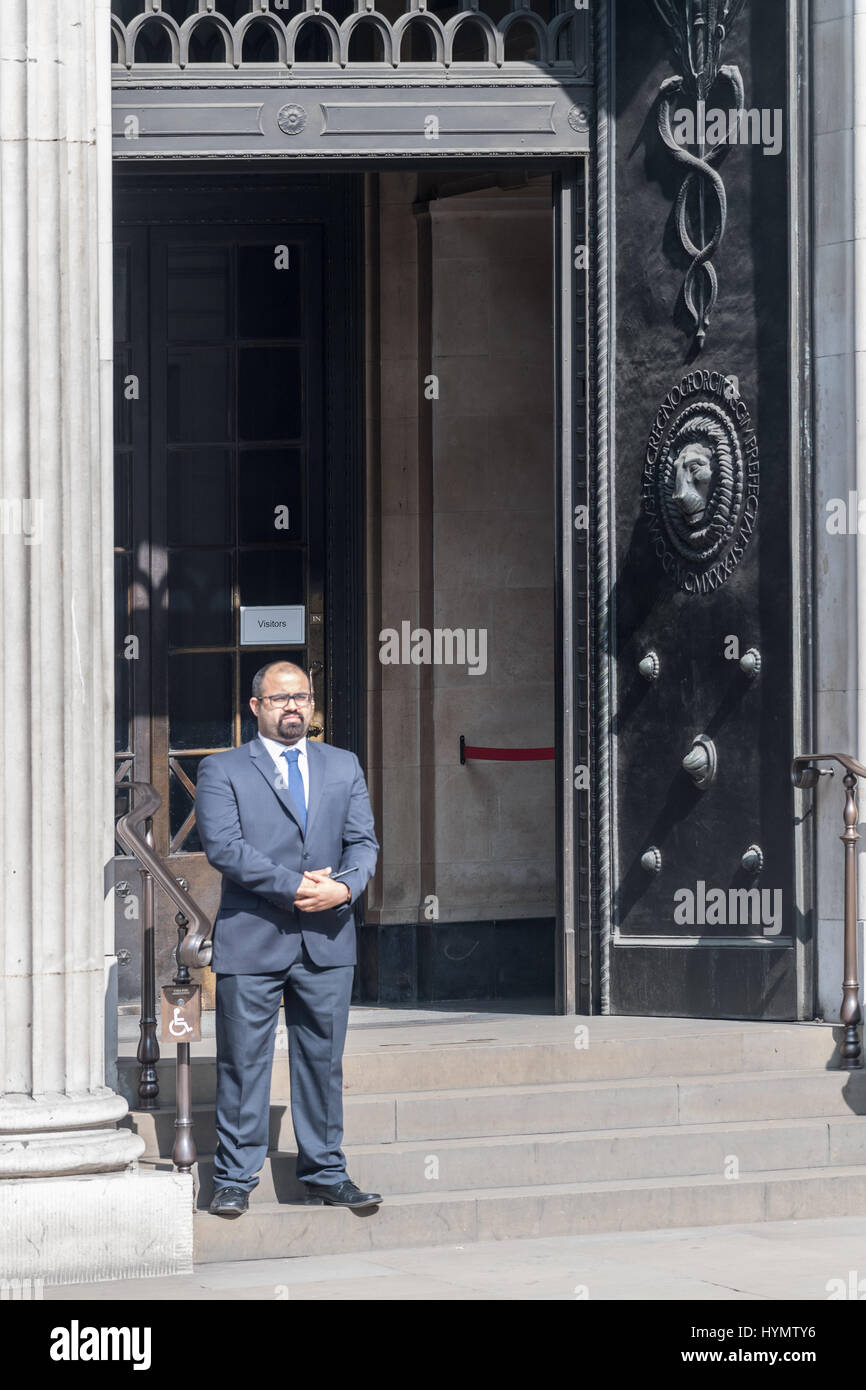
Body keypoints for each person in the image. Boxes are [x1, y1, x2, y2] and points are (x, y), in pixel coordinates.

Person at [194, 659, 381, 1217]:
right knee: (243, 1063)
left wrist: (343, 891)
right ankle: (233, 1179)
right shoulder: (222, 769)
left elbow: (363, 843)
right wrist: (299, 886)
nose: (294, 706)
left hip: (327, 939)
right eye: (280, 699)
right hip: (253, 938)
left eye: (302, 696)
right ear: (256, 707)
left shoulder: (342, 765)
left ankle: (326, 1172)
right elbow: (224, 849)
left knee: (323, 1062)